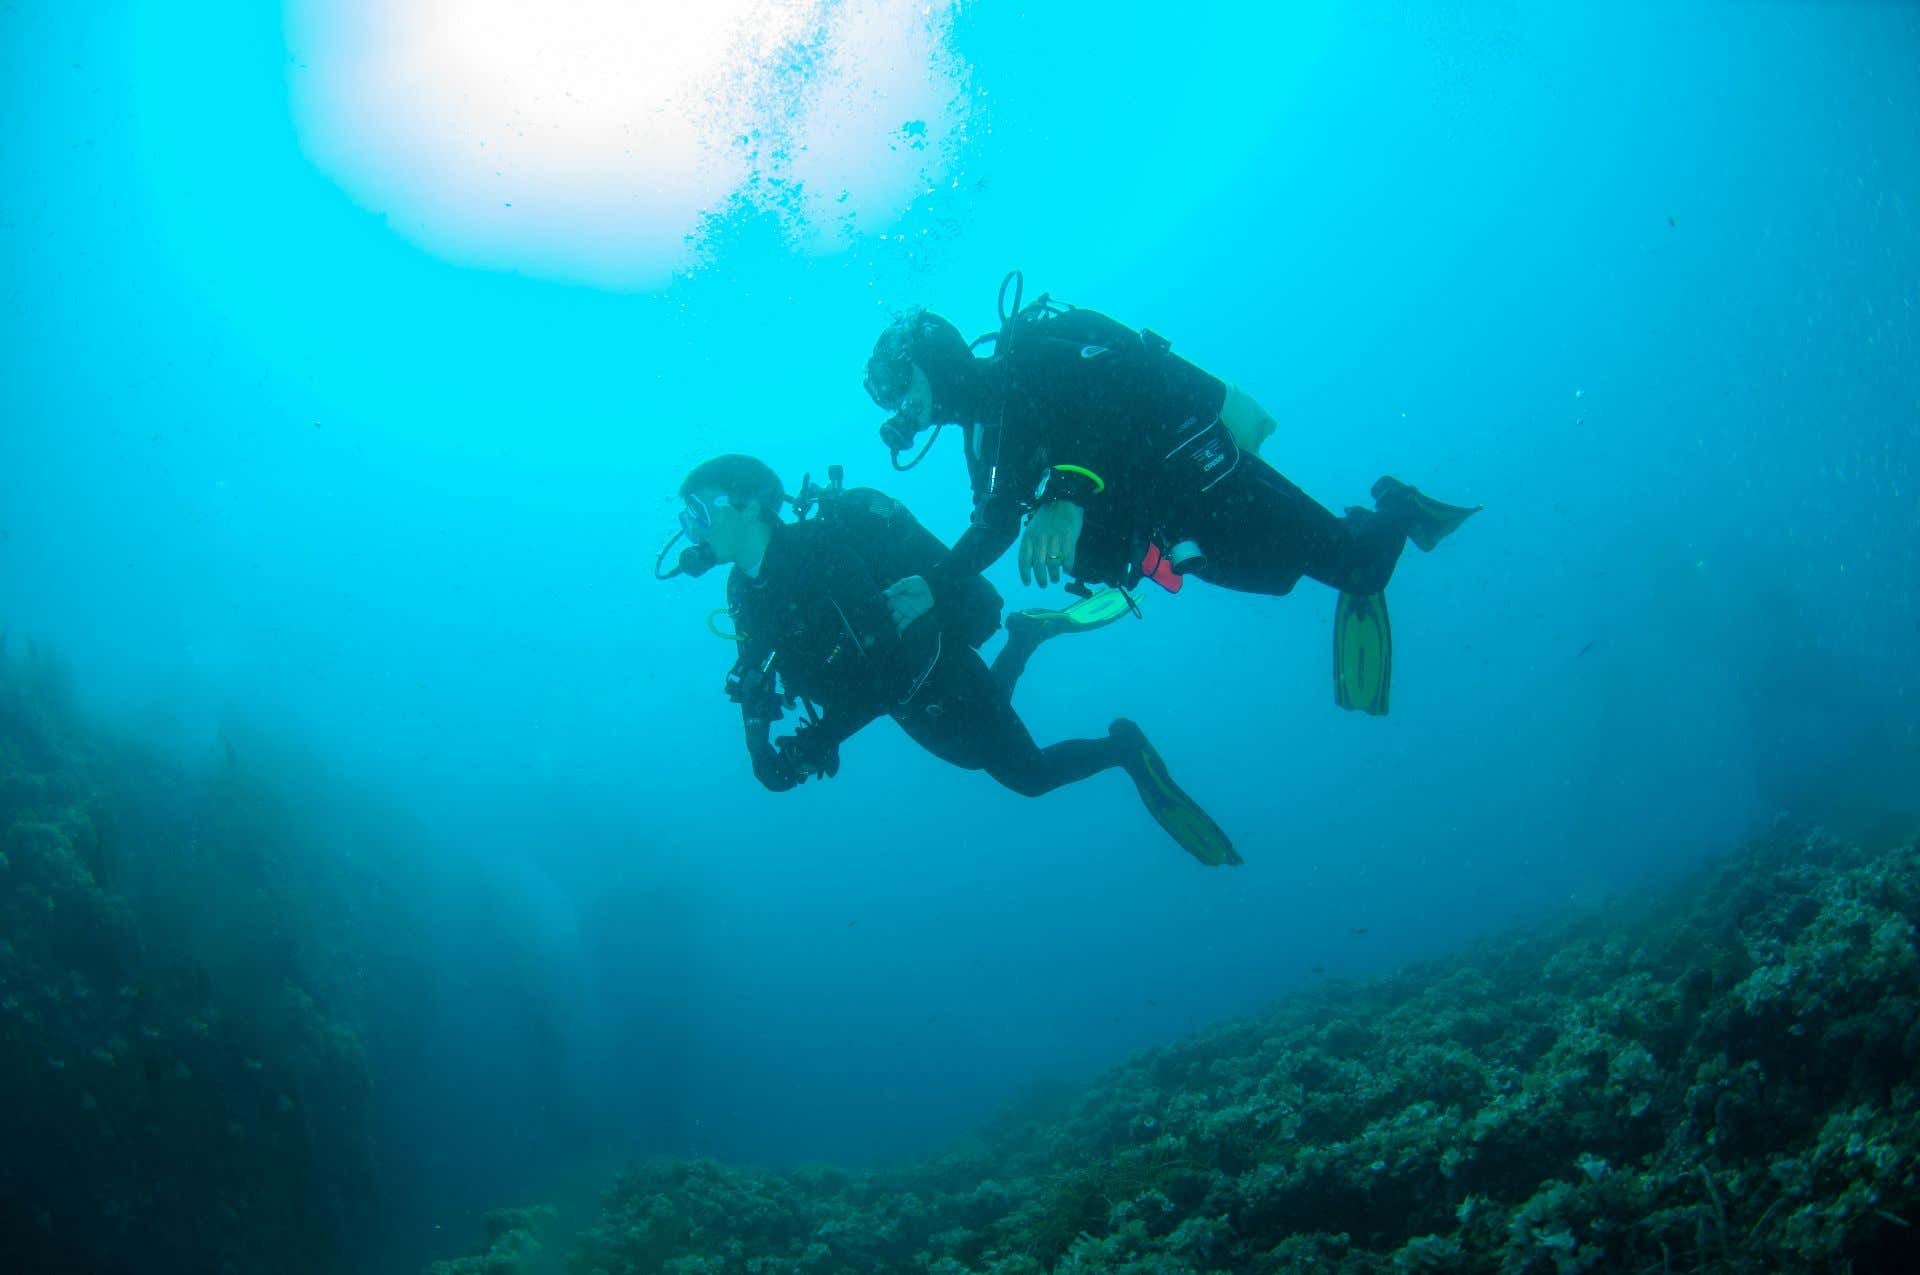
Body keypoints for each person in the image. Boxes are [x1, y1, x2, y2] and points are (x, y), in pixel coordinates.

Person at [862, 273, 1482, 715]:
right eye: (893, 400)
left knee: (1361, 570)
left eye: (903, 386)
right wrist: (938, 583)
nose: (905, 409)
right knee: (1276, 579)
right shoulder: (984, 441)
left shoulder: (1029, 359)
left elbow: (1119, 379)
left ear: (934, 359)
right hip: (1169, 534)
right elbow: (997, 520)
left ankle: (1395, 507)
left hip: (1210, 480)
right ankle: (1352, 534)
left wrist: (1069, 491)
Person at [661, 454, 1241, 867]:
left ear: (748, 504)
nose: (691, 529)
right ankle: (1024, 637)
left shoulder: (823, 557)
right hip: (891, 700)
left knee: (1027, 775)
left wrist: (821, 739)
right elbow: (754, 674)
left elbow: (885, 667)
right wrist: (759, 749)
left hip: (933, 669)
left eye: (699, 511)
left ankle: (1125, 746)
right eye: (687, 517)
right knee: (974, 756)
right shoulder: (741, 588)